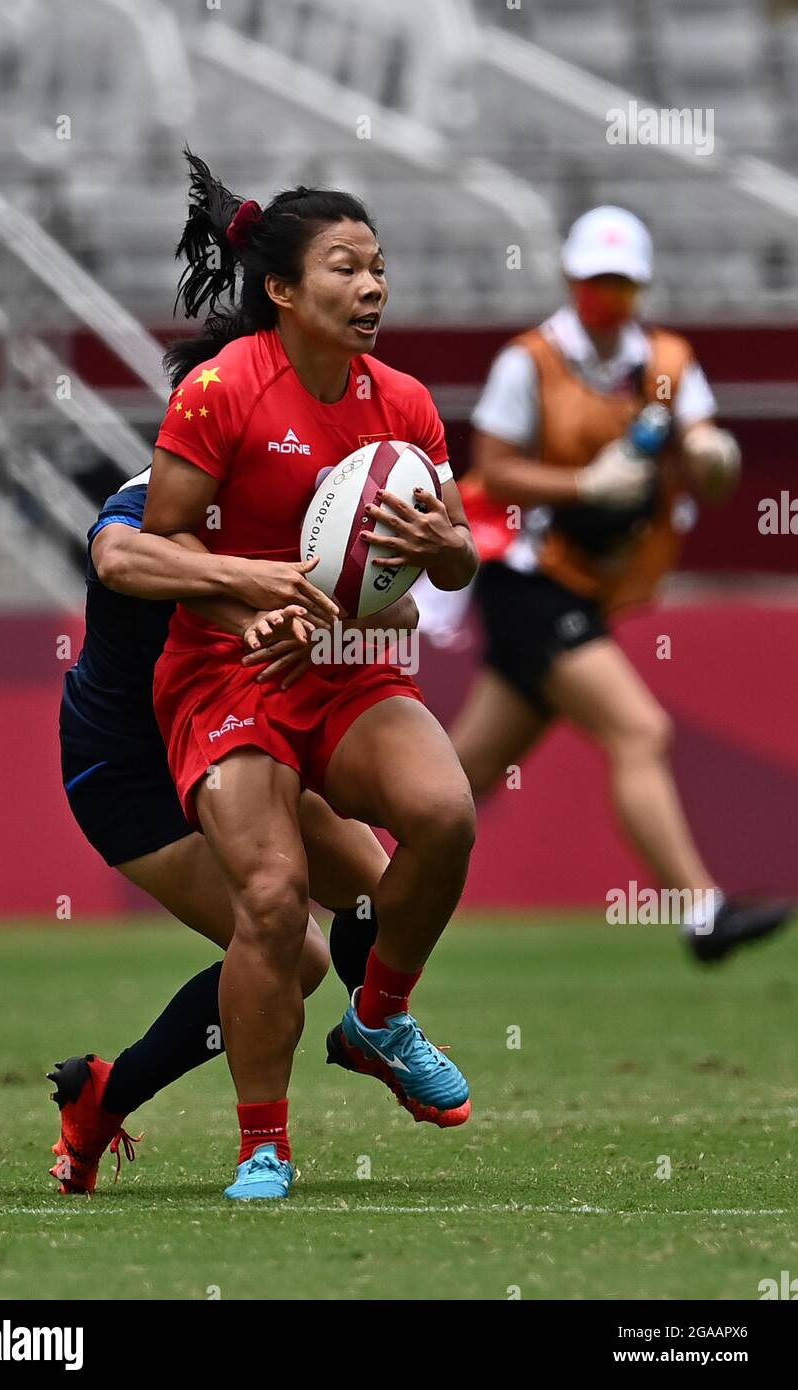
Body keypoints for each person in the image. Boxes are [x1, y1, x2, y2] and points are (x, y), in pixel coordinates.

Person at [142, 151, 478, 1200]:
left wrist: (444, 543)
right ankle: (262, 1146)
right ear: (281, 290)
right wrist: (259, 595)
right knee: (276, 898)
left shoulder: (406, 405)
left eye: (378, 268)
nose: (371, 287)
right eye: (344, 268)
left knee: (446, 813)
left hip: (349, 669)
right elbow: (156, 555)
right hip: (229, 673)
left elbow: (455, 562)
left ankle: (377, 1018)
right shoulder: (220, 392)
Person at [449, 205, 792, 961]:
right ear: (573, 281)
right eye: (597, 281)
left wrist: (713, 456)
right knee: (640, 730)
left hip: (583, 588)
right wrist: (582, 485)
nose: (609, 297)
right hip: (526, 578)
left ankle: (343, 886)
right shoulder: (530, 361)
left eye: (623, 283)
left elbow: (700, 441)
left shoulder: (665, 362)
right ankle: (703, 912)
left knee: (456, 779)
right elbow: (494, 469)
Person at [51, 467, 393, 1194]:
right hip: (130, 771)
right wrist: (249, 580)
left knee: (377, 894)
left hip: (225, 734)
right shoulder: (157, 492)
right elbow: (114, 557)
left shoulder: (303, 492)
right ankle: (105, 1099)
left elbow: (400, 618)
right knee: (294, 953)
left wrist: (412, 565)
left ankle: (376, 1031)